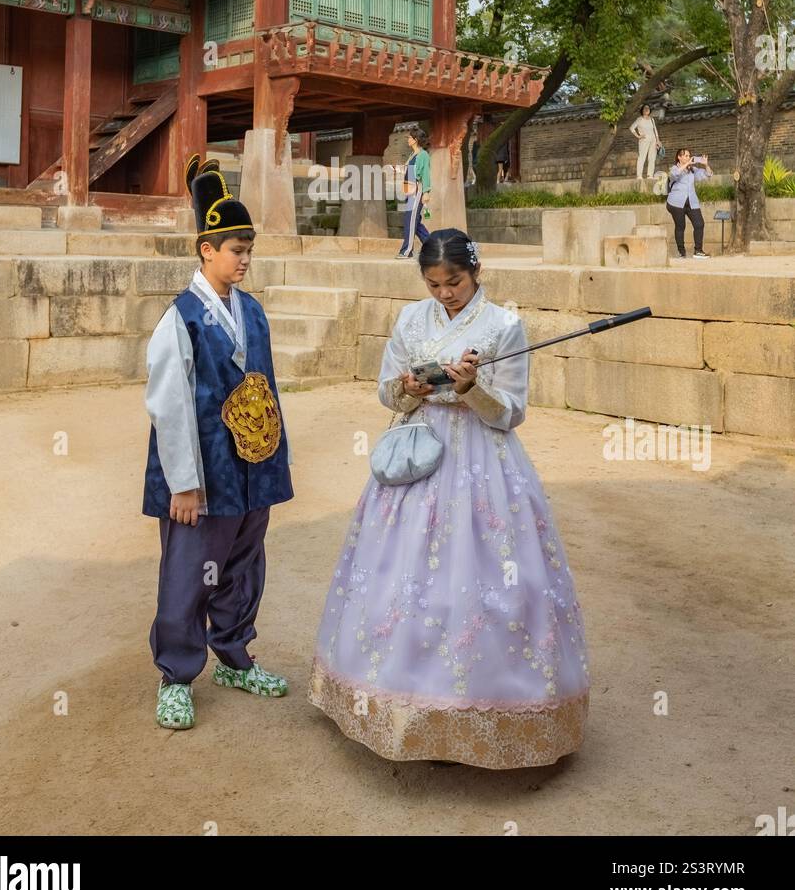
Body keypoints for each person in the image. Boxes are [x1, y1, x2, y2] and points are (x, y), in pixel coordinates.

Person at [308, 228, 590, 769]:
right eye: (434, 284)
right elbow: (386, 386)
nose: (445, 294)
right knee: (404, 578)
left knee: (485, 577)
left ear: (475, 272)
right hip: (418, 455)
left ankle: (491, 706)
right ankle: (401, 702)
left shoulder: (505, 327)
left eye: (454, 282)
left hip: (484, 461)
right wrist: (408, 389)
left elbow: (510, 412)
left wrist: (471, 389)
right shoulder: (412, 319)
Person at [143, 155, 293, 730]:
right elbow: (169, 405)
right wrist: (183, 483)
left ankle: (234, 655)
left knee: (243, 563)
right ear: (206, 250)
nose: (246, 260)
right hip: (202, 475)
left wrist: (271, 458)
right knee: (190, 569)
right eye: (237, 250)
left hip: (252, 468)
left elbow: (263, 387)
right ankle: (176, 675)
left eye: (249, 250)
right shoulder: (179, 319)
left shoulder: (251, 310)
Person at [666, 148, 711, 259]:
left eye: (688, 155)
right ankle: (681, 252)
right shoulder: (674, 168)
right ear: (679, 157)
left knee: (699, 224)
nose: (688, 157)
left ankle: (698, 251)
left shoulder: (693, 169)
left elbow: (707, 175)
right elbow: (674, 175)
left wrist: (706, 165)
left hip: (692, 201)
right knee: (680, 226)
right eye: (685, 155)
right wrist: (686, 165)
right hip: (676, 203)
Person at [396, 125, 431, 259]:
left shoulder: (423, 155)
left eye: (410, 137)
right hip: (409, 190)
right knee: (415, 223)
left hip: (417, 190)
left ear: (415, 139)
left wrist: (427, 192)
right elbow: (408, 170)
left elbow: (426, 174)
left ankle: (407, 250)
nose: (408, 139)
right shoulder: (412, 155)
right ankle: (433, 246)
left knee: (410, 220)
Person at [629, 104, 661, 180]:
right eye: (645, 108)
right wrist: (638, 136)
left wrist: (658, 140)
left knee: (652, 158)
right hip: (644, 140)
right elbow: (631, 128)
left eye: (648, 108)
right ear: (642, 110)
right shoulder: (639, 119)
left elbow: (655, 131)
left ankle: (650, 175)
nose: (647, 109)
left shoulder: (652, 119)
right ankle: (639, 175)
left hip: (653, 140)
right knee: (642, 158)